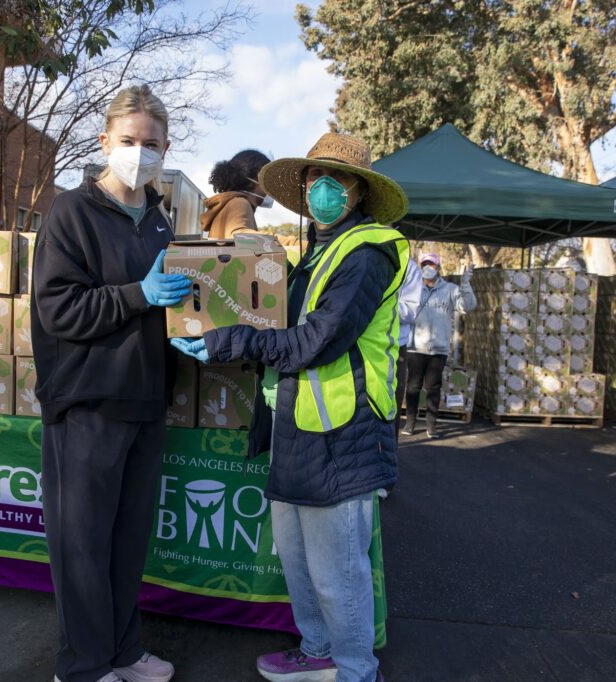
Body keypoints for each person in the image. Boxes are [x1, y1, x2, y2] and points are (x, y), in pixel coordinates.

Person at [172, 132, 409, 682]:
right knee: (299, 561)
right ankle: (319, 649)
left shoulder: (369, 251)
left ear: (359, 192)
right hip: (295, 423)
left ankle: (355, 670)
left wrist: (223, 341)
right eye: (314, 178)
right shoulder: (314, 253)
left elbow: (316, 341)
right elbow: (276, 326)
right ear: (302, 188)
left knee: (337, 572)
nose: (323, 188)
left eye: (338, 179)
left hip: (343, 433)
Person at [30, 85, 190, 682]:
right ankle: (83, 665)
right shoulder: (71, 213)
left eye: (151, 144)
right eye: (129, 141)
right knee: (82, 546)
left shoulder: (158, 221)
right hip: (88, 400)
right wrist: (137, 295)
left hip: (145, 399)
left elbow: (172, 307)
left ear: (166, 148)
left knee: (126, 542)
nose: (139, 153)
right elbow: (58, 310)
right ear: (105, 142)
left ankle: (124, 651)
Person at [402, 253, 476, 438]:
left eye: (432, 264)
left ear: (438, 268)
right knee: (413, 386)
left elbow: (467, 306)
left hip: (438, 348)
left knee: (433, 387)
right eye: (425, 264)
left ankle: (431, 424)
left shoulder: (450, 289)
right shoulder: (414, 288)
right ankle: (410, 421)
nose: (428, 267)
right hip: (415, 347)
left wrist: (466, 284)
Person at [200, 149, 272, 239]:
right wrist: (291, 242)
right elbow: (239, 235)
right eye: (268, 178)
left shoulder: (230, 204)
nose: (271, 186)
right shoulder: (240, 203)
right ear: (256, 178)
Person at [395, 254, 423, 439]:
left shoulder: (408, 267)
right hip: (355, 347)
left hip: (394, 349)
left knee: (389, 410)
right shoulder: (355, 255)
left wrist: (376, 304)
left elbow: (410, 311)